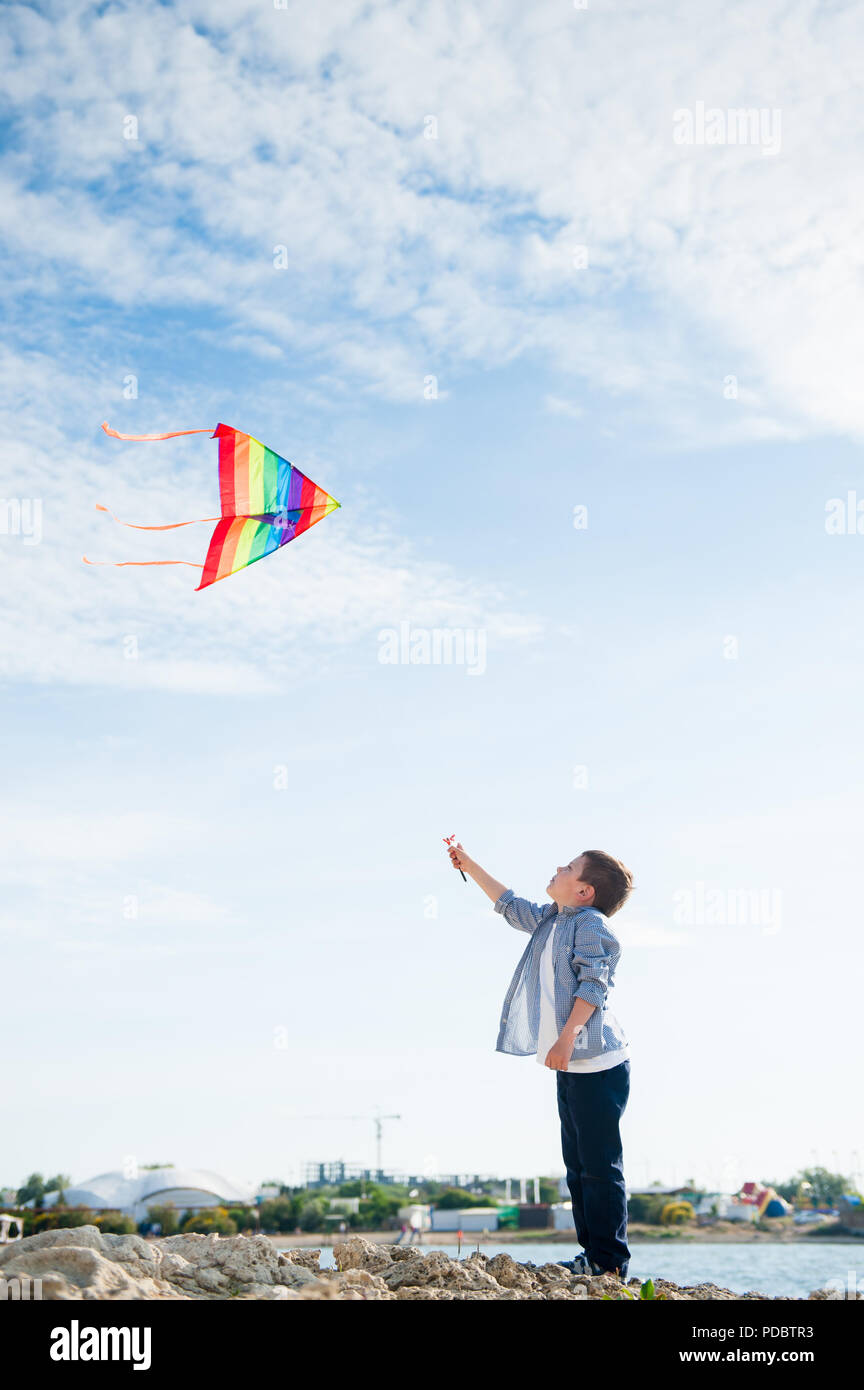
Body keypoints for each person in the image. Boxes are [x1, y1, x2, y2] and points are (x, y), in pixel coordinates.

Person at [447, 843, 633, 1280]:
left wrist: (566, 1040)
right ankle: (591, 1257)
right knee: (578, 1166)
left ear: (584, 891)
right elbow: (508, 904)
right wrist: (468, 864)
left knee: (601, 1167)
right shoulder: (553, 919)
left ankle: (610, 1265)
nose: (557, 868)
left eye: (568, 868)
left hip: (597, 1062)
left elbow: (594, 986)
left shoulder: (591, 925)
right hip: (569, 1063)